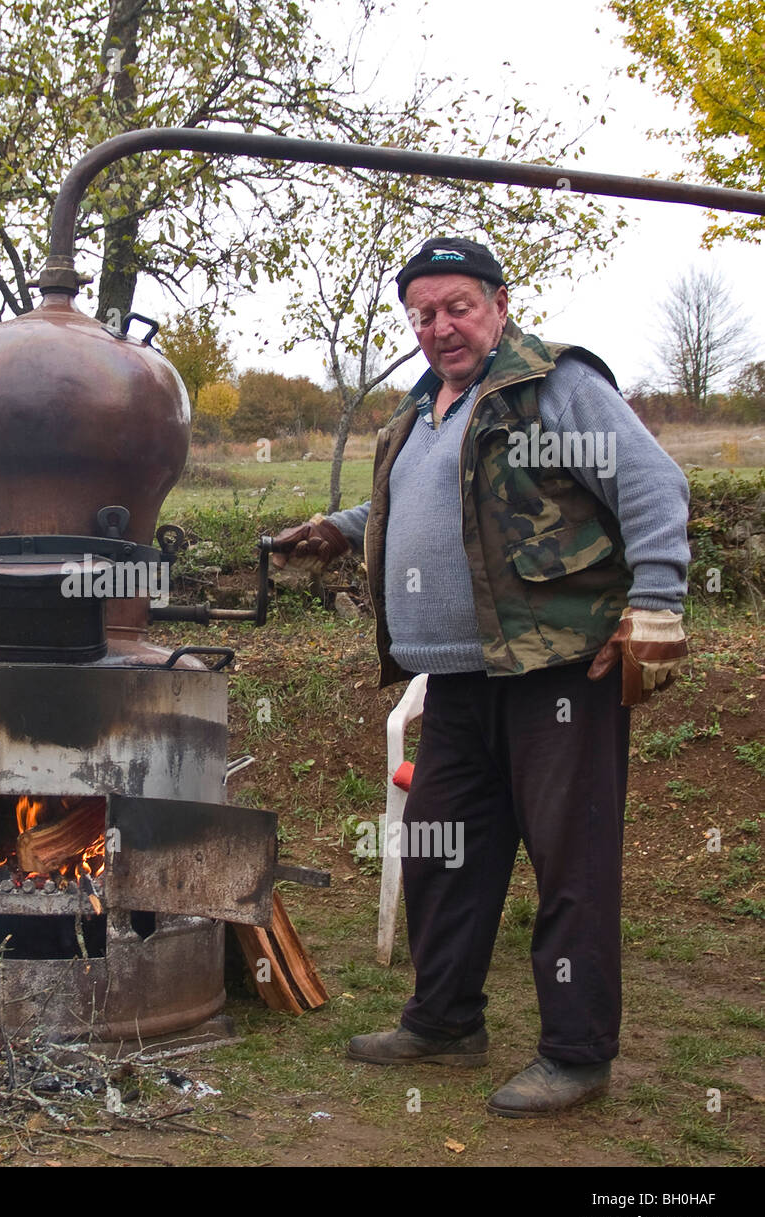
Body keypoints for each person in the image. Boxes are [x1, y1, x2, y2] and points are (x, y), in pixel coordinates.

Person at [271, 237, 690, 1116]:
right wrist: (345, 526)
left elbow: (653, 483)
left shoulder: (554, 385)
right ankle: (446, 1020)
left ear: (500, 304)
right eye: (423, 312)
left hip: (558, 672)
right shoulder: (422, 410)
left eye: (457, 305)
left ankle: (576, 1055)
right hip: (459, 681)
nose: (440, 326)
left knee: (570, 866)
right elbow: (444, 498)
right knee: (441, 855)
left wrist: (656, 602)